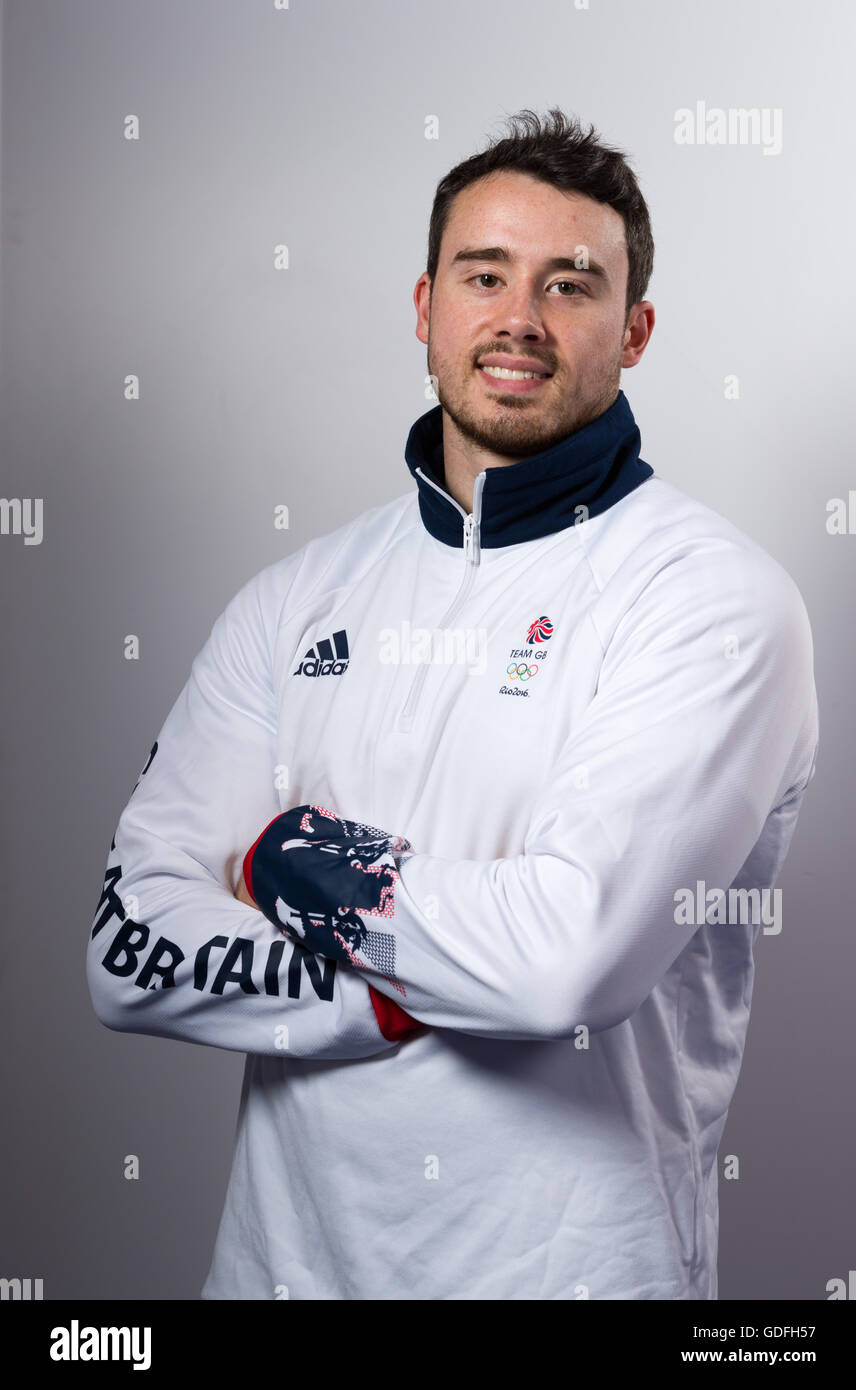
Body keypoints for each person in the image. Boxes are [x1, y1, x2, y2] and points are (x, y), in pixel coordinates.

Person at [87, 108, 819, 1300]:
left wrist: (284, 862)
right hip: (281, 1276)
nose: (518, 319)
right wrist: (388, 987)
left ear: (633, 332)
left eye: (569, 285)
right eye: (485, 275)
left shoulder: (713, 600)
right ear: (425, 306)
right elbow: (127, 955)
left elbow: (559, 965)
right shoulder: (293, 598)